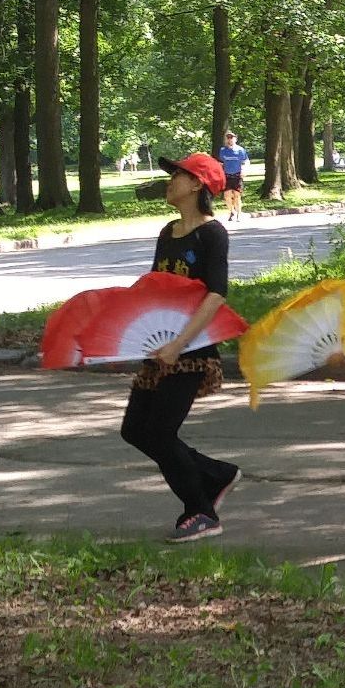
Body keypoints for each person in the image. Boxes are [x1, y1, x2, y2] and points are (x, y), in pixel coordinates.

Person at [120, 152, 242, 543]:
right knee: (135, 429)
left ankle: (201, 511)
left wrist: (179, 344)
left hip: (191, 351)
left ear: (197, 185)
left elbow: (216, 295)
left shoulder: (212, 233)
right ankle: (217, 474)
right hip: (159, 347)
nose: (171, 180)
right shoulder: (167, 231)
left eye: (179, 175)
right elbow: (157, 289)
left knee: (159, 431)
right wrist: (143, 335)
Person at [216, 132, 251, 222]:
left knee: (237, 195)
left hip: (237, 175)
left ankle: (239, 214)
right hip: (227, 175)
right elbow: (220, 162)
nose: (229, 139)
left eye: (231, 138)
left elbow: (246, 161)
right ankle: (231, 212)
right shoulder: (223, 150)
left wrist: (244, 170)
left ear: (235, 139)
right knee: (227, 196)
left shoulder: (240, 150)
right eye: (228, 138)